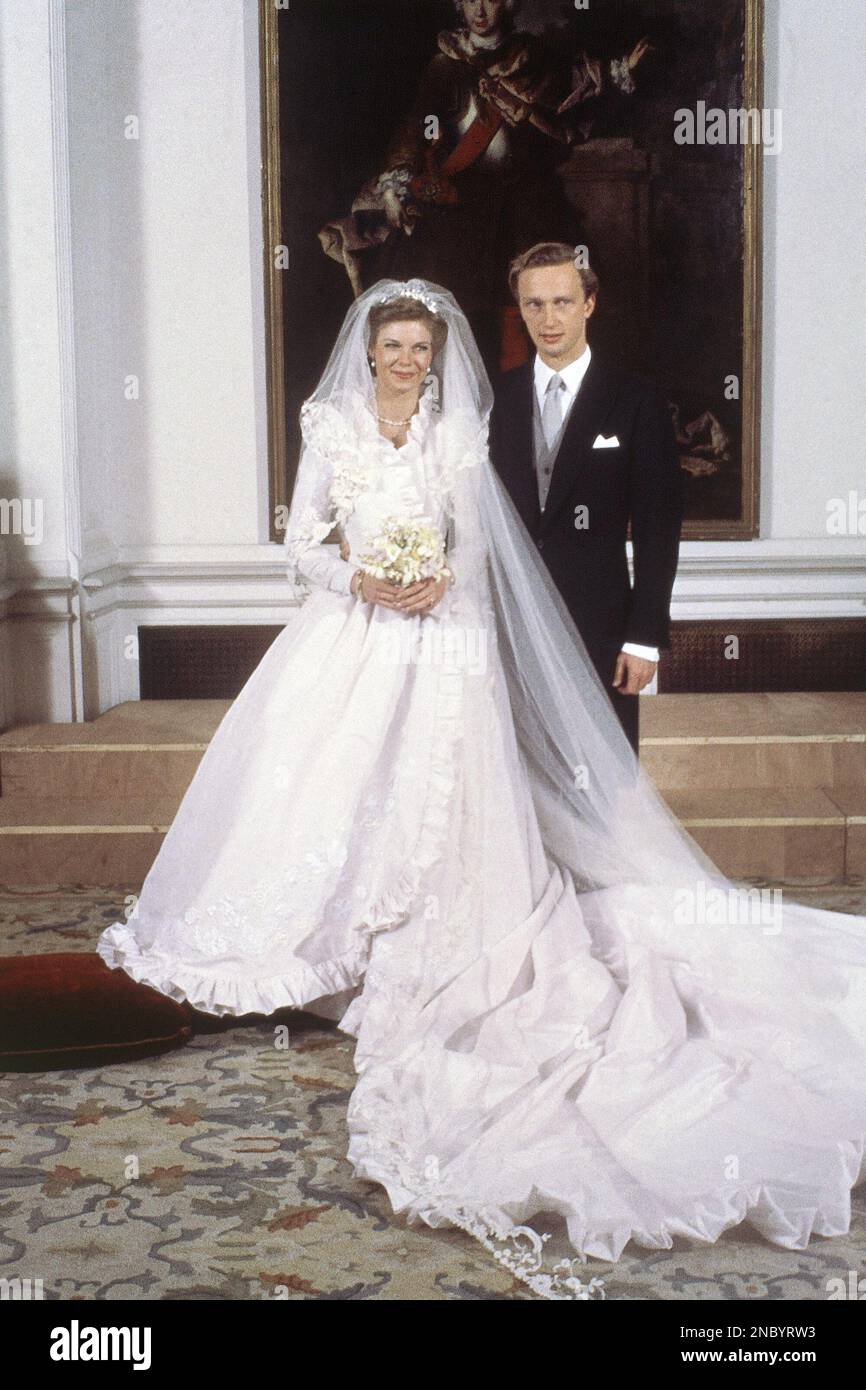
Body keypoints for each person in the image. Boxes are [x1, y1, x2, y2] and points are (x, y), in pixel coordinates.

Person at [98, 280, 866, 1302]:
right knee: (320, 786)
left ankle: (434, 937)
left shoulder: (461, 434)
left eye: (420, 345)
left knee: (450, 799)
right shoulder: (329, 424)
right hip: (352, 635)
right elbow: (299, 543)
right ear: (367, 352)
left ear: (436, 351)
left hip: (445, 642)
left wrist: (436, 581)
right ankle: (320, 938)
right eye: (393, 346)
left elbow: (477, 548)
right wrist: (362, 580)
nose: (407, 359)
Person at [320, 0, 651, 372]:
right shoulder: (444, 67)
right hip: (459, 206)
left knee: (547, 294)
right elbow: (414, 129)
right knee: (444, 299)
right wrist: (394, 185)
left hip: (525, 199)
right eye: (470, 0)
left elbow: (577, 81)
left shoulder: (530, 58)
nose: (480, 10)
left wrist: (623, 68)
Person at [490, 241, 682, 755]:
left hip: (602, 628)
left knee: (604, 780)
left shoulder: (636, 399)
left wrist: (644, 637)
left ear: (589, 304)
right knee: (516, 778)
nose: (548, 318)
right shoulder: (494, 398)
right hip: (507, 625)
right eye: (534, 304)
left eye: (562, 302)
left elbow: (658, 529)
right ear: (521, 310)